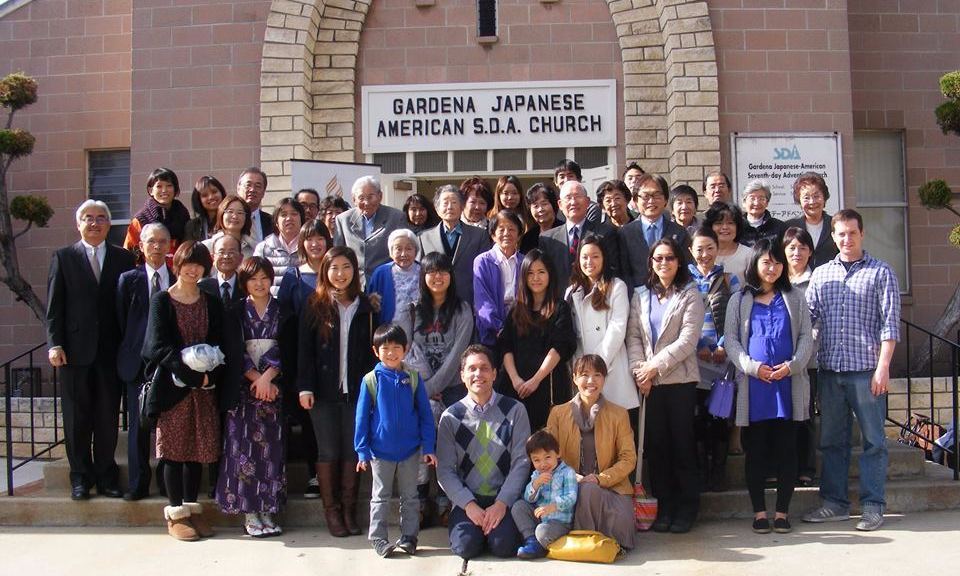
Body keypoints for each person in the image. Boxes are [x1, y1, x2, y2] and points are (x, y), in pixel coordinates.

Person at [801, 209, 901, 532]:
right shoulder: (821, 275)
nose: (846, 239)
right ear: (833, 236)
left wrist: (883, 368)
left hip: (866, 373)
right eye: (841, 234)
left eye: (852, 233)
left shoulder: (881, 273)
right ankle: (835, 504)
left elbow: (890, 325)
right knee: (832, 441)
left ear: (862, 233)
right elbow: (809, 321)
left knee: (874, 441)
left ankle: (873, 506)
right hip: (830, 371)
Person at [46, 200, 136, 501]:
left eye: (100, 218)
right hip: (74, 352)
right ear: (78, 223)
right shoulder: (64, 258)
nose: (94, 223)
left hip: (111, 352)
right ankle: (80, 478)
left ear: (109, 225)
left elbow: (128, 306)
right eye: (88, 218)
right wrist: (54, 343)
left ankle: (107, 476)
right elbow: (54, 307)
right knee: (77, 418)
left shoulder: (123, 258)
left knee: (107, 417)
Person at [725, 239, 815, 534]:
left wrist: (792, 366)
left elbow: (805, 337)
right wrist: (752, 367)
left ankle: (783, 512)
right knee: (757, 452)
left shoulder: (794, 297)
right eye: (767, 262)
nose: (773, 267)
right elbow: (733, 342)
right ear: (755, 265)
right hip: (755, 387)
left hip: (787, 385)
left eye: (778, 262)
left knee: (787, 451)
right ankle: (760, 512)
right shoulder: (739, 299)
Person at [141, 241, 223, 541]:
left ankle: (192, 509)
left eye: (199, 264)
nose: (193, 269)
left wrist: (208, 373)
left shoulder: (210, 301)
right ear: (177, 265)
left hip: (203, 389)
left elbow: (218, 340)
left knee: (196, 451)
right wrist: (189, 373)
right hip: (173, 387)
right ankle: (175, 513)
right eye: (188, 263)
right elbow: (155, 345)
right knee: (174, 452)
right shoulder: (162, 300)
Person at [625, 236, 705, 534]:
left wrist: (653, 367)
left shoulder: (690, 294)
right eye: (658, 258)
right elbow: (633, 337)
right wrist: (639, 371)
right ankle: (665, 506)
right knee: (657, 448)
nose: (663, 263)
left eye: (669, 258)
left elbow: (688, 339)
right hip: (649, 384)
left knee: (682, 445)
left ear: (679, 261)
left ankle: (687, 508)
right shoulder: (640, 295)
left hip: (679, 381)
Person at [298, 246, 377, 537]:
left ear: (354, 272)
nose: (340, 274)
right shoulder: (314, 304)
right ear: (325, 271)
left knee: (352, 451)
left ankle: (349, 509)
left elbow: (373, 354)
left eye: (346, 267)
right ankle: (331, 511)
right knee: (329, 450)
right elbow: (304, 351)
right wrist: (304, 386)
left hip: (356, 392)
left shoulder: (366, 306)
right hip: (322, 391)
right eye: (334, 268)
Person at [394, 252, 475, 527]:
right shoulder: (411, 310)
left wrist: (433, 386)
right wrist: (423, 387)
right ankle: (417, 501)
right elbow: (403, 350)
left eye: (443, 271)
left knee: (447, 445)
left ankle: (445, 499)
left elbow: (458, 354)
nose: (437, 277)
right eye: (431, 272)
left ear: (451, 277)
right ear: (423, 276)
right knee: (418, 443)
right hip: (416, 387)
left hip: (451, 388)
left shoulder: (462, 309)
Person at [215, 256, 288, 537]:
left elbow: (286, 346)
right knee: (242, 451)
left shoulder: (283, 311)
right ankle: (249, 512)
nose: (259, 284)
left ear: (271, 279)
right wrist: (255, 378)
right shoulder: (234, 312)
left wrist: (268, 377)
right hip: (244, 391)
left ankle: (268, 509)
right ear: (244, 283)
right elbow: (233, 350)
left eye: (264, 278)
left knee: (271, 451)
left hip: (273, 390)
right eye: (253, 279)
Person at [436, 345, 531, 560]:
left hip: (503, 498)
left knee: (504, 547)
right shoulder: (451, 417)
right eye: (471, 369)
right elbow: (444, 470)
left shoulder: (515, 410)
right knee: (466, 548)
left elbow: (521, 463)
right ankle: (478, 531)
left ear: (495, 373)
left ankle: (493, 530)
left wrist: (501, 504)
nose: (478, 374)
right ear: (462, 375)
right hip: (469, 499)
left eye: (484, 368)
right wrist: (468, 505)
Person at [355, 323, 438, 557]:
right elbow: (361, 418)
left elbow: (425, 414)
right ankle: (379, 539)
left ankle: (410, 537)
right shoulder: (371, 380)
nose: (391, 353)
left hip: (410, 451)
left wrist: (428, 446)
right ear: (376, 351)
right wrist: (362, 450)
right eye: (385, 348)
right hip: (380, 452)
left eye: (396, 347)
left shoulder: (412, 378)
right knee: (380, 497)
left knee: (410, 497)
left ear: (406, 349)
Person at [546, 354, 637, 551]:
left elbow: (628, 458)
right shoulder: (558, 414)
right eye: (584, 375)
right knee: (584, 491)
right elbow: (549, 456)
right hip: (568, 488)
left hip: (611, 489)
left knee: (618, 520)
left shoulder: (619, 414)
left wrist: (600, 479)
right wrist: (571, 477)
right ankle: (585, 543)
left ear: (604, 379)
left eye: (597, 375)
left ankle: (583, 541)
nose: (591, 381)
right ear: (574, 378)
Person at [115, 223, 172, 501]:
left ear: (170, 245)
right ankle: (138, 482)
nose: (157, 246)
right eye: (151, 241)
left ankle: (166, 481)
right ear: (141, 246)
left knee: (167, 425)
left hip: (169, 364)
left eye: (163, 241)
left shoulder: (177, 278)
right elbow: (120, 320)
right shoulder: (128, 280)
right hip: (136, 363)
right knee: (137, 427)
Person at [276, 219, 331, 500]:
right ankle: (313, 474)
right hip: (303, 358)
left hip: (335, 360)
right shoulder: (293, 277)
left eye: (320, 237)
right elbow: (284, 322)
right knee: (309, 422)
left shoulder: (338, 272)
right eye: (309, 239)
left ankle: (335, 477)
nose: (315, 243)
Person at [496, 249, 576, 431]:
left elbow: (560, 347)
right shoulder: (517, 308)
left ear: (550, 274)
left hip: (547, 385)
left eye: (541, 272)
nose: (535, 278)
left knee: (546, 444)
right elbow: (505, 346)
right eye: (530, 273)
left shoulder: (559, 307)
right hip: (515, 387)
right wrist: (516, 379)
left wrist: (535, 380)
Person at [688, 227, 739, 492]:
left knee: (718, 417)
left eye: (710, 248)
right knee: (696, 419)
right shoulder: (684, 279)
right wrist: (697, 344)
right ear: (691, 251)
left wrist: (722, 346)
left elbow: (737, 317)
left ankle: (718, 474)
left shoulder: (730, 280)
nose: (705, 254)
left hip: (721, 362)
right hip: (692, 361)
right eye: (699, 249)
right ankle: (700, 472)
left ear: (717, 250)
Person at [566, 235, 636, 413]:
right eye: (585, 257)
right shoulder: (572, 291)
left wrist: (595, 368)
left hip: (610, 367)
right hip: (581, 374)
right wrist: (582, 371)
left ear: (604, 258)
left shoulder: (616, 286)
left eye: (595, 256)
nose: (589, 261)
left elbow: (617, 329)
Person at [782, 226, 819, 486]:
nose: (797, 253)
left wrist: (802, 351)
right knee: (782, 415)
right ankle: (784, 465)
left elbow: (818, 323)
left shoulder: (817, 280)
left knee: (804, 414)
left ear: (810, 252)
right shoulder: (775, 279)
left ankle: (806, 467)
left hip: (808, 360)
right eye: (792, 247)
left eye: (802, 248)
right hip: (778, 361)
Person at [418, 184, 491, 307]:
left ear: (462, 207)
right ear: (436, 208)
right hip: (434, 303)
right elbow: (420, 274)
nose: (450, 207)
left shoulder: (479, 235)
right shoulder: (424, 237)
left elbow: (484, 273)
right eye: (445, 203)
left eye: (454, 202)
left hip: (468, 300)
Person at [510, 429, 578, 559]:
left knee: (542, 531)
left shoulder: (567, 472)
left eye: (547, 457)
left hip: (559, 522)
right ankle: (531, 540)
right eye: (536, 460)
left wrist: (553, 506)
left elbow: (571, 497)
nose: (543, 464)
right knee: (519, 506)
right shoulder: (536, 474)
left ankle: (540, 544)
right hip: (540, 517)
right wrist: (535, 485)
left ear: (558, 453)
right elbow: (528, 499)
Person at [333, 175, 409, 287]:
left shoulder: (396, 217)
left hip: (387, 282)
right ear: (354, 199)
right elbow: (338, 254)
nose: (367, 203)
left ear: (380, 196)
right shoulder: (343, 220)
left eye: (371, 197)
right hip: (353, 284)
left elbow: (404, 252)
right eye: (361, 198)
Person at [539, 180, 619, 285]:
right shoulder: (547, 239)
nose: (573, 202)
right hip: (560, 299)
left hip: (596, 297)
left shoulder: (605, 233)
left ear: (587, 202)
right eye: (568, 198)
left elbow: (612, 270)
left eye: (577, 196)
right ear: (560, 205)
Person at [619, 173, 689, 291]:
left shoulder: (680, 232)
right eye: (645, 196)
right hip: (637, 300)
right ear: (635, 200)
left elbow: (684, 271)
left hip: (672, 298)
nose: (651, 201)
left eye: (657, 195)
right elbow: (623, 272)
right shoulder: (625, 233)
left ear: (666, 200)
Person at [473, 210, 525, 347]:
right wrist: (499, 328)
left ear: (519, 235)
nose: (507, 234)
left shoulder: (525, 262)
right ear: (493, 235)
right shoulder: (482, 261)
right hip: (492, 333)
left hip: (521, 331)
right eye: (501, 230)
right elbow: (482, 302)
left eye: (512, 229)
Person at [124, 167, 191, 257]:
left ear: (175, 189)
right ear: (151, 191)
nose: (164, 190)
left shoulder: (183, 216)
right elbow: (129, 253)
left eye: (169, 185)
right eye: (159, 186)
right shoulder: (141, 219)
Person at [365, 229, 421, 324]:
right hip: (389, 334)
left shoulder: (424, 272)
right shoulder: (381, 273)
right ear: (391, 253)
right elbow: (370, 308)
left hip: (420, 333)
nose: (403, 254)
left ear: (415, 251)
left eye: (409, 248)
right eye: (398, 249)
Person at [784, 172, 839, 269]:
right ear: (799, 201)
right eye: (806, 197)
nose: (812, 202)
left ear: (824, 198)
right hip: (797, 282)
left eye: (816, 196)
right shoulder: (789, 227)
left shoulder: (836, 225)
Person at [254, 197, 305, 294]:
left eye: (294, 214)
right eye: (283, 215)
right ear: (276, 222)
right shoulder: (263, 248)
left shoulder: (309, 247)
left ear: (301, 219)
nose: (289, 218)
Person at [703, 201, 751, 284]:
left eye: (730, 223)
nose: (725, 227)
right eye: (719, 223)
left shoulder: (748, 254)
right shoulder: (703, 253)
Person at [202, 195, 258, 260]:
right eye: (230, 211)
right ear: (221, 214)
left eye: (240, 213)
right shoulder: (206, 247)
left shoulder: (254, 249)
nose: (234, 216)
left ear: (246, 218)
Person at [199, 233, 245, 305]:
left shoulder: (246, 287)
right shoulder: (201, 289)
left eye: (231, 252)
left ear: (241, 258)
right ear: (212, 257)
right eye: (221, 252)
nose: (226, 256)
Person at [738, 180, 786, 247]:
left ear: (767, 202)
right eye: (752, 198)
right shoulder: (737, 226)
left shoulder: (780, 227)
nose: (756, 203)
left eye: (761, 198)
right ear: (744, 202)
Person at [519, 182, 562, 254]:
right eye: (536, 206)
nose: (540, 209)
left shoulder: (565, 231)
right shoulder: (528, 237)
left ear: (553, 204)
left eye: (544, 204)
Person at [184, 175, 226, 242]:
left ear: (221, 193)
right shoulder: (192, 226)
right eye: (204, 195)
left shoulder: (229, 220)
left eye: (214, 191)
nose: (211, 197)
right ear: (198, 200)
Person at [237, 167, 274, 243]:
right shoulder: (229, 218)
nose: (252, 189)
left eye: (258, 186)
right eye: (248, 185)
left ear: (263, 192)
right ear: (238, 188)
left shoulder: (272, 222)